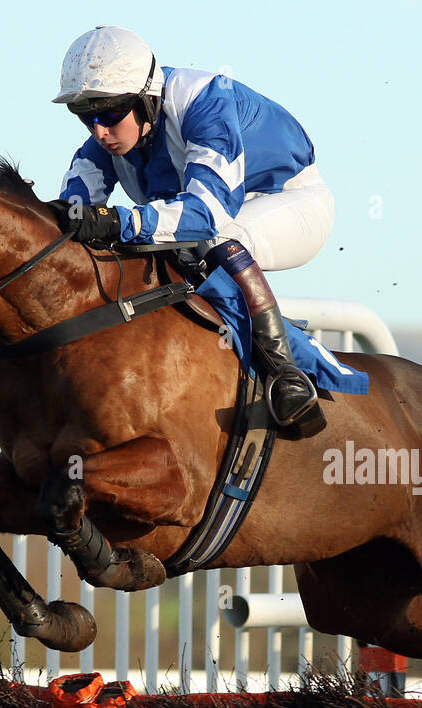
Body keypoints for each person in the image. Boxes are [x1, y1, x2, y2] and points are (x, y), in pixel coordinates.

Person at [50, 25, 333, 432]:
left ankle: (285, 377)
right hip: (211, 219)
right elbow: (74, 207)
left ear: (146, 101)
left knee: (214, 240)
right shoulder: (111, 130)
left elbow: (207, 213)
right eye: (86, 116)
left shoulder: (204, 101)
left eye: (110, 114)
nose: (99, 130)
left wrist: (118, 220)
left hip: (288, 202)